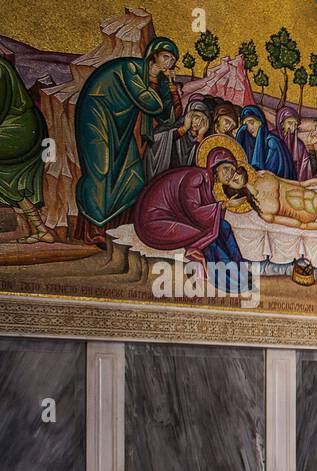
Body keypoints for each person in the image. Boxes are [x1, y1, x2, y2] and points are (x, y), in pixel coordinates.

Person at [74, 36, 180, 242]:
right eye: (165, 57)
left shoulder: (158, 81)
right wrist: (162, 85)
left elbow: (168, 116)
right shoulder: (131, 69)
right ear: (154, 54)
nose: (168, 63)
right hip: (97, 113)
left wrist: (171, 88)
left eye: (172, 60)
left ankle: (114, 226)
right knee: (101, 168)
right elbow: (151, 104)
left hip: (121, 125)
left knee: (132, 174)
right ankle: (94, 228)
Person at [132, 148, 248, 293]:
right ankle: (229, 279)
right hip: (156, 222)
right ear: (214, 166)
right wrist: (224, 205)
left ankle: (241, 269)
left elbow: (210, 216)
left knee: (223, 226)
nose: (229, 174)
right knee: (208, 236)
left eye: (232, 171)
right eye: (225, 169)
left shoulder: (207, 182)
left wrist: (222, 206)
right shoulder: (196, 177)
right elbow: (193, 211)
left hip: (174, 218)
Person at [0, 52, 54, 243]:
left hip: (18, 130)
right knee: (8, 181)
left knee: (8, 180)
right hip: (15, 127)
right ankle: (40, 230)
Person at [235, 105, 294, 179]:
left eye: (252, 122)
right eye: (246, 124)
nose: (249, 127)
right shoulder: (250, 143)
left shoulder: (272, 142)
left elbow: (269, 173)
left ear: (261, 122)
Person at [276, 105, 315, 181]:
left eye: (295, 124)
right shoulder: (272, 139)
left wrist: (311, 146)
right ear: (281, 123)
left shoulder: (299, 145)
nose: (293, 128)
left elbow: (311, 170)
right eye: (290, 123)